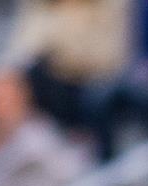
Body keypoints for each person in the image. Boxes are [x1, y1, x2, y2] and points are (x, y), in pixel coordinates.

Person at [7, 0, 131, 160]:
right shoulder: (42, 7)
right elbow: (24, 48)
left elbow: (107, 57)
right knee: (19, 83)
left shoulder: (109, 6)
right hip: (51, 80)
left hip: (95, 80)